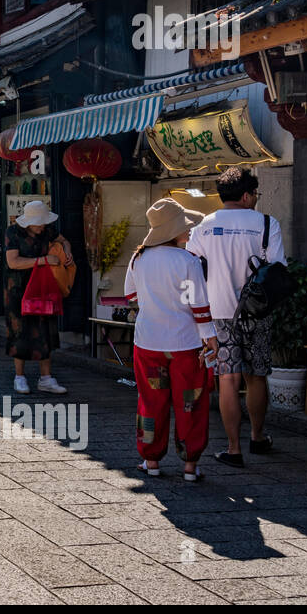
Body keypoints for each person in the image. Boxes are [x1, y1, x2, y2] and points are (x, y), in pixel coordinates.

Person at [186, 167, 284, 468]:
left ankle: (232, 448)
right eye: (254, 194)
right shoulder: (267, 224)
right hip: (256, 313)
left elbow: (191, 267)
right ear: (246, 195)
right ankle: (257, 436)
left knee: (227, 378)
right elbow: (278, 268)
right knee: (256, 376)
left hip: (219, 315)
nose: (255, 199)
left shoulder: (203, 226)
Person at [125, 198, 220, 483]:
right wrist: (211, 339)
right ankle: (190, 465)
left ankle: (151, 459)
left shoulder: (138, 259)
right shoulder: (188, 261)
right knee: (190, 402)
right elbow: (199, 306)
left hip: (148, 341)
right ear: (173, 231)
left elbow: (131, 297)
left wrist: (157, 301)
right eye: (185, 227)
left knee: (151, 401)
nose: (189, 231)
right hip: (186, 344)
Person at [3, 200, 72, 395]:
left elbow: (64, 240)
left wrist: (67, 251)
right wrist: (43, 261)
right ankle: (20, 376)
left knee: (46, 329)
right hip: (19, 288)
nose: (41, 226)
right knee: (20, 331)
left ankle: (46, 377)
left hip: (43, 286)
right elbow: (13, 262)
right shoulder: (13, 232)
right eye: (38, 223)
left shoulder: (48, 230)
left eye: (43, 222)